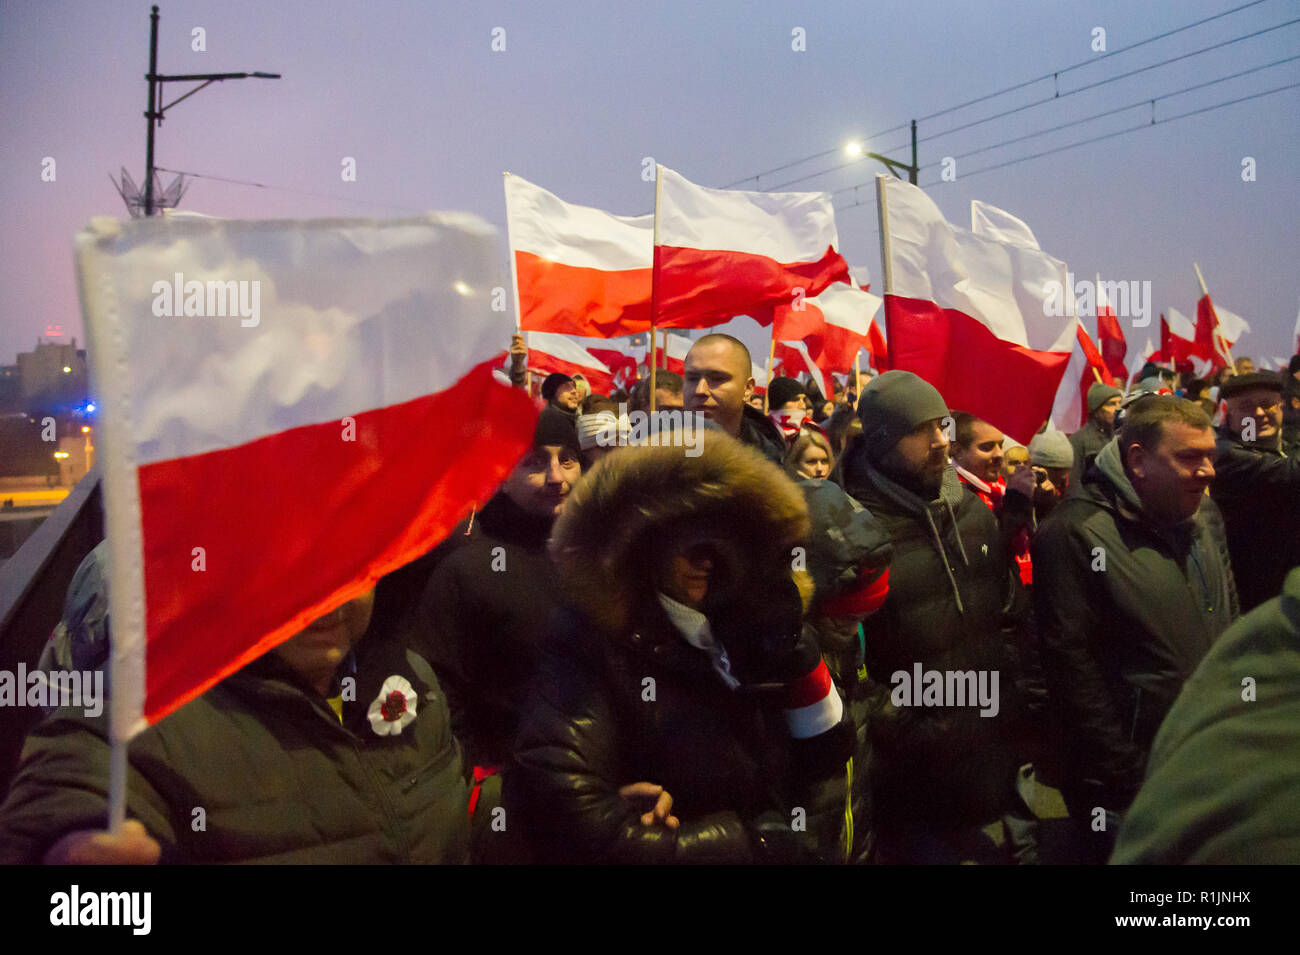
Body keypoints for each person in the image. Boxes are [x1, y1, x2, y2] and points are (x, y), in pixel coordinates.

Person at [504, 434, 856, 863]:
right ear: (644, 546)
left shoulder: (758, 621)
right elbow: (562, 806)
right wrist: (740, 843)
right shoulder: (592, 638)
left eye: (722, 541)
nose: (706, 561)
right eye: (687, 544)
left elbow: (829, 754)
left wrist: (803, 666)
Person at [0, 583, 471, 865]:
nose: (328, 600)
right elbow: (75, 777)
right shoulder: (153, 709)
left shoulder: (414, 681)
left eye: (351, 565)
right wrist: (65, 842)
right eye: (290, 565)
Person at [1031, 395, 1238, 862]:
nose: (1208, 471)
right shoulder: (1074, 533)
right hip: (1131, 786)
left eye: (1210, 456)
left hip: (1208, 755)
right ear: (1139, 461)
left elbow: (1228, 615)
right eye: (1189, 457)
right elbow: (1071, 668)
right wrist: (1127, 776)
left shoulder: (1204, 513)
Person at [836, 371, 1030, 863]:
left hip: (991, 754)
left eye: (942, 425)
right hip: (908, 781)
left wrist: (1013, 699)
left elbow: (1008, 610)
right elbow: (839, 659)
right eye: (922, 431)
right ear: (882, 441)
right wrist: (905, 726)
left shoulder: (971, 511)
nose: (942, 441)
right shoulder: (849, 529)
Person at [404, 414, 582, 774]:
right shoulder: (468, 567)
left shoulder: (600, 553)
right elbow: (439, 691)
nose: (556, 478)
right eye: (533, 463)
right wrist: (480, 783)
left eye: (567, 459)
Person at [1111, 567, 1300, 864]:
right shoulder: (1078, 536)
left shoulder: (1204, 532)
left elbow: (1226, 605)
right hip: (1145, 737)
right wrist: (1118, 759)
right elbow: (1073, 656)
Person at [1210, 371, 1300, 613]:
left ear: (1281, 407)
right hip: (1261, 594)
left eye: (1268, 404)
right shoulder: (1227, 455)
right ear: (1228, 415)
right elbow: (1292, 474)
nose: (1259, 414)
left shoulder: (1288, 445)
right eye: (1246, 407)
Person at [949, 411, 1036, 587]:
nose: (999, 455)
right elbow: (985, 555)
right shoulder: (954, 496)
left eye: (1001, 445)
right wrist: (1016, 504)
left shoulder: (998, 486)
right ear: (958, 452)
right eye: (987, 447)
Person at [683, 334, 785, 463]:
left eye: (717, 378)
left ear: (747, 389)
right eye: (692, 378)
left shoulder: (771, 463)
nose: (700, 390)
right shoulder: (655, 453)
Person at [1068, 382, 1122, 486]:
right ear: (1096, 410)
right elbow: (1074, 480)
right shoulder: (1079, 440)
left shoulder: (1119, 436)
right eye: (1111, 404)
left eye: (1120, 402)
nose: (1118, 409)